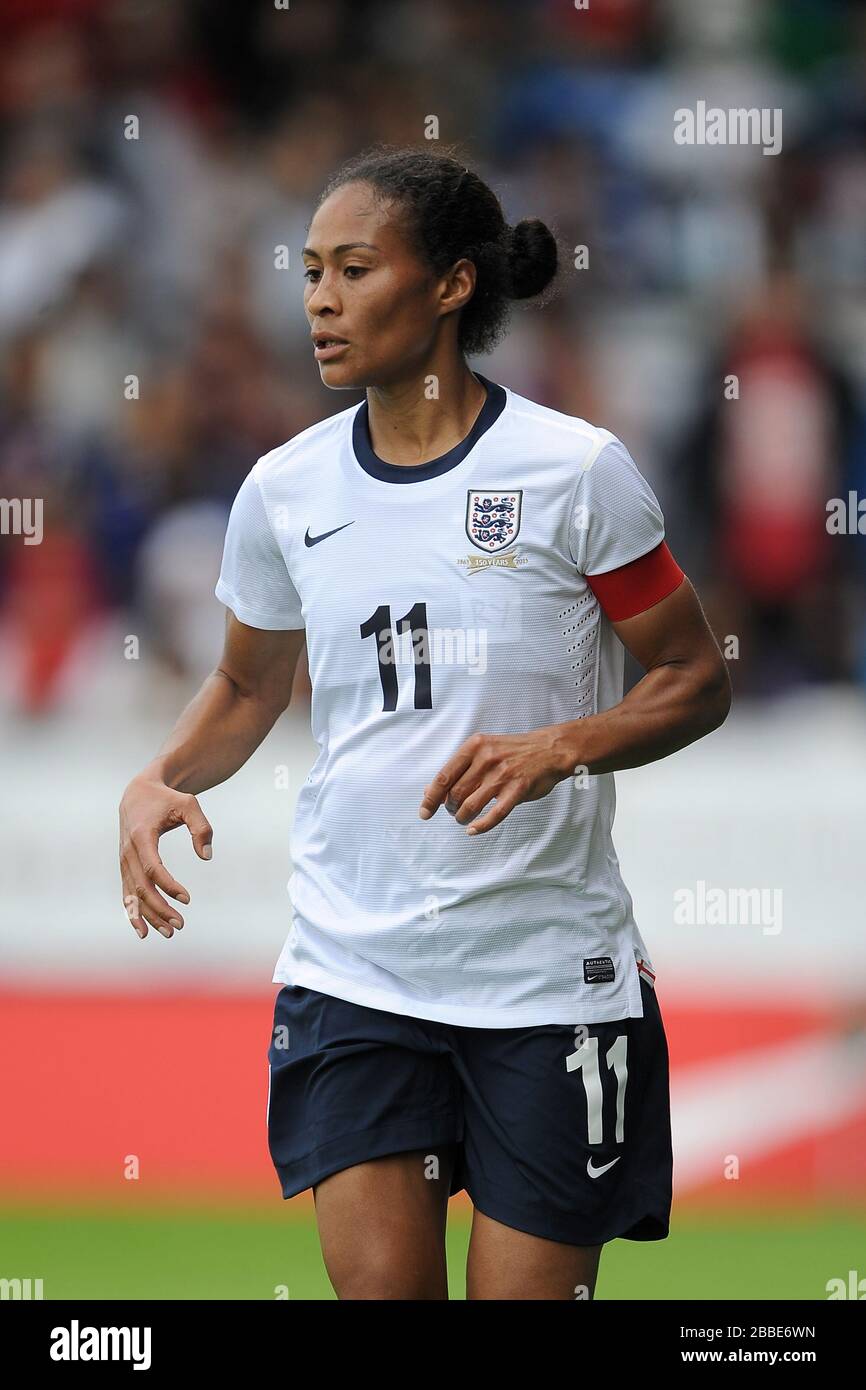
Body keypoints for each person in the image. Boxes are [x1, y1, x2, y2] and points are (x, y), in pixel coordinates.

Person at [119, 144, 732, 1300]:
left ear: (451, 285)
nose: (318, 298)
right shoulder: (284, 489)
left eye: (354, 269)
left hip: (546, 978)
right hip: (355, 973)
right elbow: (249, 688)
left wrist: (562, 746)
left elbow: (693, 677)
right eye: (310, 271)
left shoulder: (572, 471)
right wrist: (161, 774)